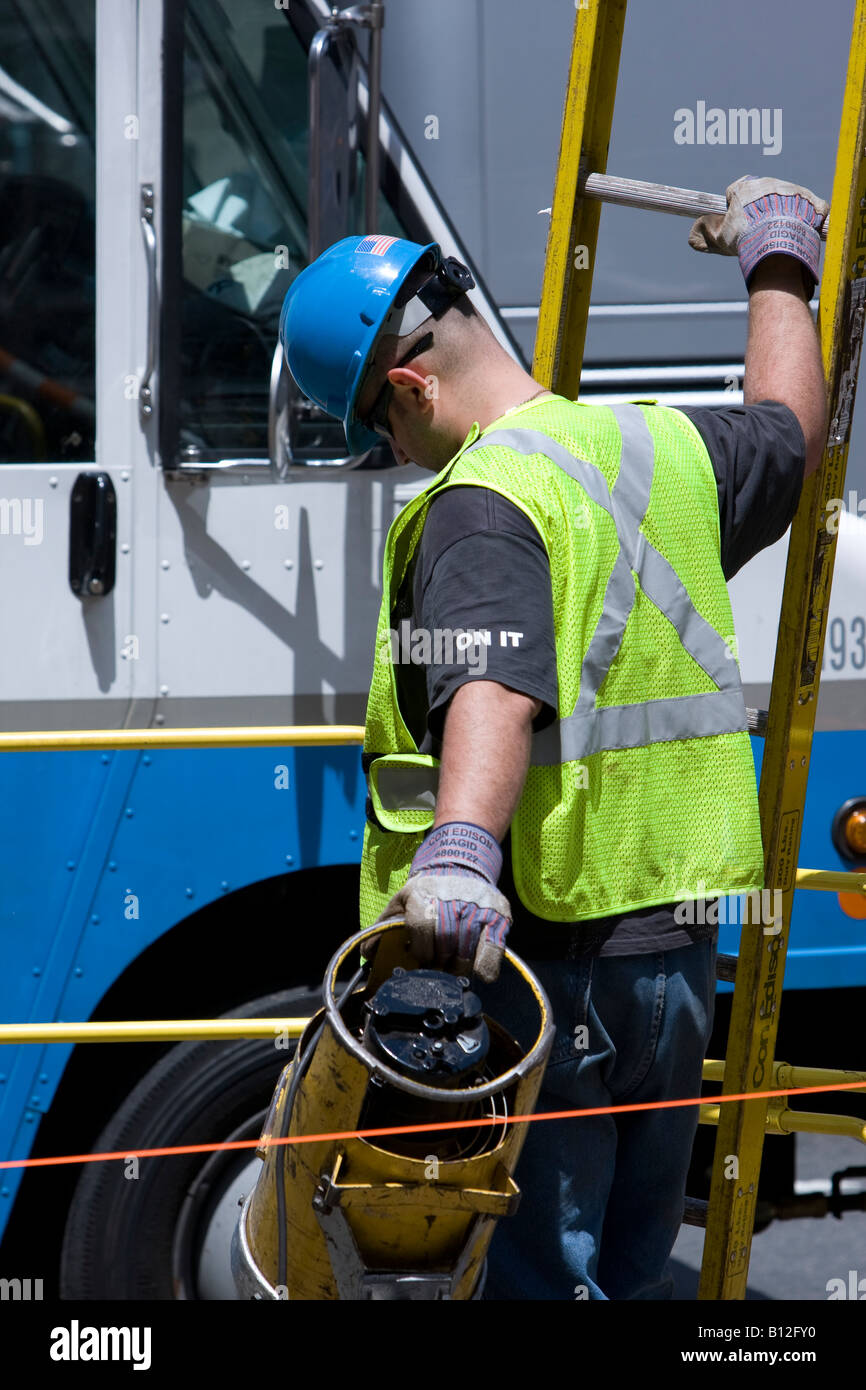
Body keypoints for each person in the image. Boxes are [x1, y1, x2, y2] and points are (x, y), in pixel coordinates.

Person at [279, 176, 828, 1299]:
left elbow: (492, 681)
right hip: (676, 950)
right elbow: (789, 433)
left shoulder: (482, 499)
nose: (395, 455)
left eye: (380, 432)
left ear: (405, 384)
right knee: (631, 1268)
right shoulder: (658, 452)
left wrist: (459, 851)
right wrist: (778, 260)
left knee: (533, 1274)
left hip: (543, 963)